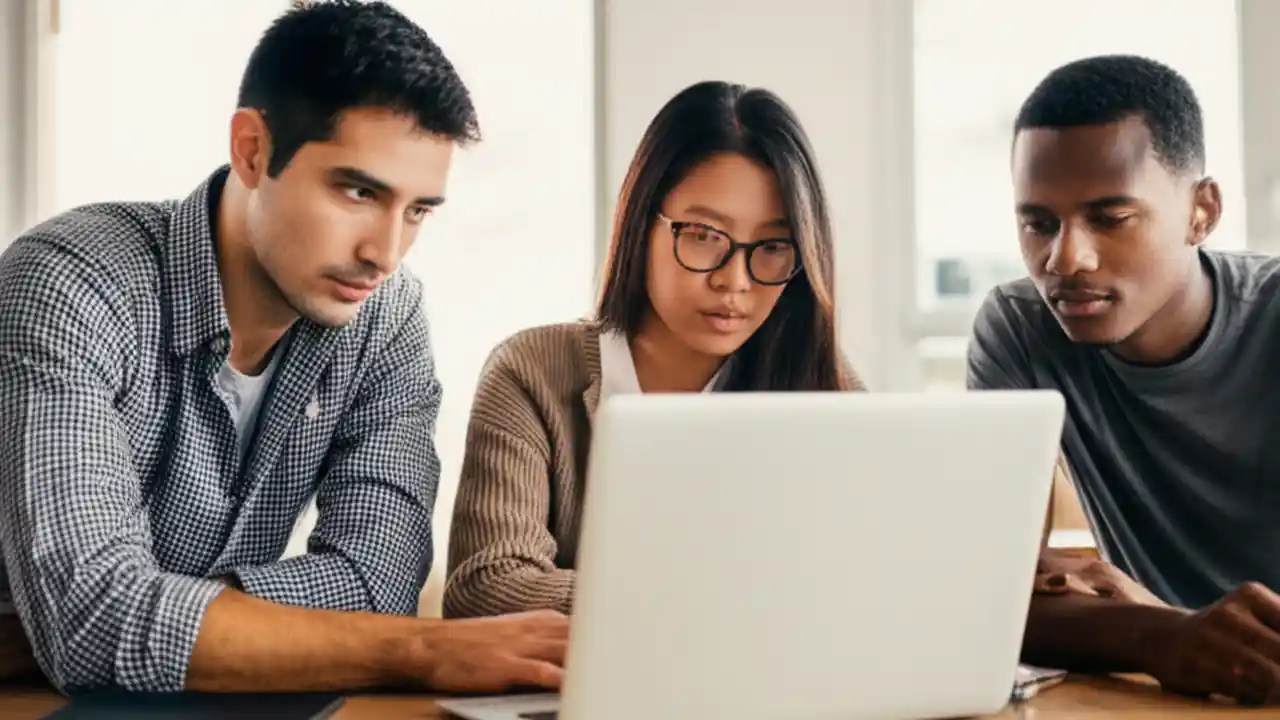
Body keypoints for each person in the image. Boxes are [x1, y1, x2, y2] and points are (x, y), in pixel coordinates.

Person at [0, 0, 566, 695]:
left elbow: (377, 582)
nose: (385, 253)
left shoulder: (385, 316)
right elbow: (93, 623)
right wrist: (418, 648)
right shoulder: (72, 281)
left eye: (417, 211)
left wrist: (140, 610)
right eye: (358, 191)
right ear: (252, 149)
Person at [443, 80, 864, 619]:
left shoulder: (822, 382)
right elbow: (488, 589)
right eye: (705, 235)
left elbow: (861, 578)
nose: (735, 281)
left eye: (774, 247)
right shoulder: (532, 372)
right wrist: (727, 602)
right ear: (642, 223)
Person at [968, 54, 1280, 705]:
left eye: (1111, 218)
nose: (1065, 259)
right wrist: (1163, 635)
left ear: (1202, 210)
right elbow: (992, 602)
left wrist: (1132, 630)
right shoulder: (1020, 329)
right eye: (1037, 223)